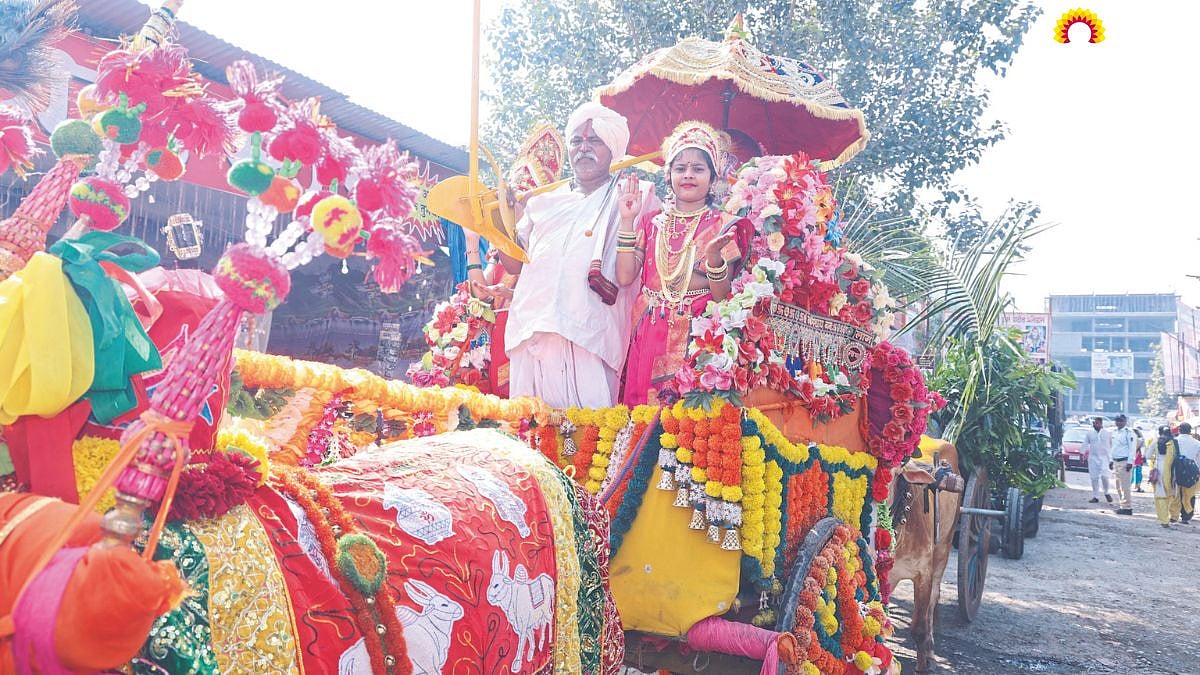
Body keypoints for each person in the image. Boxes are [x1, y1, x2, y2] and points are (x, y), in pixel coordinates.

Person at [500, 102, 657, 409]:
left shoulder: (635, 196)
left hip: (590, 332)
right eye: (576, 141)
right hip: (532, 326)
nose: (584, 148)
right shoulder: (542, 203)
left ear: (613, 149)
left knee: (590, 428)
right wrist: (503, 221)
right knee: (529, 423)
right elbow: (514, 265)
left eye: (594, 141)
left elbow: (637, 272)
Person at [615, 121, 753, 405]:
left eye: (698, 169)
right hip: (649, 329)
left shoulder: (725, 225)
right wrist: (627, 221)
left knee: (686, 420)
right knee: (641, 416)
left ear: (713, 177)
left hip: (696, 333)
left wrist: (714, 260)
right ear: (669, 175)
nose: (688, 175)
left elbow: (722, 298)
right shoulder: (651, 222)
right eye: (680, 168)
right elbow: (625, 276)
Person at [463, 229, 516, 397]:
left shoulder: (534, 238)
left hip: (526, 330)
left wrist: (508, 293)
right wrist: (471, 240)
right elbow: (480, 292)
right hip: (500, 334)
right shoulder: (498, 242)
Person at [1108, 413, 1138, 515]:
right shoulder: (1114, 432)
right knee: (1118, 486)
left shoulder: (1129, 433)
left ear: (1125, 421)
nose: (1119, 422)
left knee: (1125, 486)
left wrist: (1130, 462)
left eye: (1121, 421)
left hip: (1124, 462)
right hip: (1116, 461)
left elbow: (1132, 448)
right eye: (1117, 420)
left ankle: (1127, 507)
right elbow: (1113, 448)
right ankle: (1122, 505)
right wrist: (1111, 460)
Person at [1171, 422, 1199, 524]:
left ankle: (1174, 516)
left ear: (1179, 430)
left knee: (1176, 493)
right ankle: (1186, 516)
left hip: (1177, 470)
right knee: (1189, 494)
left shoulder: (1174, 441)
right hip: (1192, 470)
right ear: (1190, 431)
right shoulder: (1197, 443)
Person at [1081, 416, 1113, 504]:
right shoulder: (1090, 433)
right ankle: (1096, 497)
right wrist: (1082, 453)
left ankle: (1106, 492)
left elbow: (1111, 446)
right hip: (1093, 458)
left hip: (1104, 458)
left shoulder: (1108, 433)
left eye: (1096, 423)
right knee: (1094, 478)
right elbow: (1085, 443)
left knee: (1104, 476)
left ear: (1101, 424)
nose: (1094, 424)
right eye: (1094, 423)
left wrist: (1111, 459)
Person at [1152, 426, 1179, 528]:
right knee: (1172, 494)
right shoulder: (1174, 443)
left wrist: (1156, 458)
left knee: (1161, 495)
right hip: (1172, 472)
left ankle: (1164, 520)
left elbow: (1147, 455)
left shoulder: (1156, 442)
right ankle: (1173, 516)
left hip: (1159, 471)